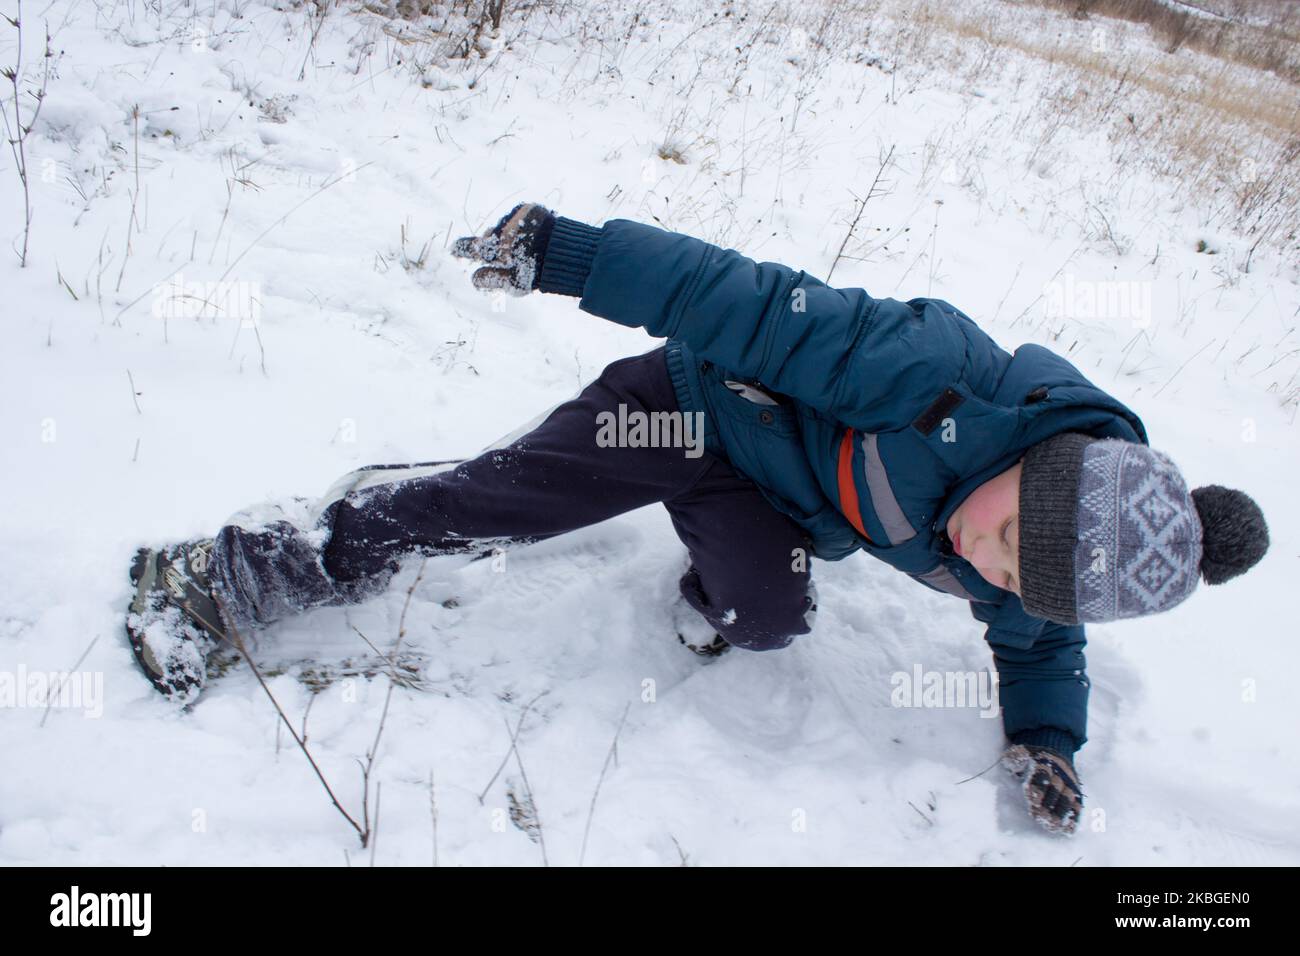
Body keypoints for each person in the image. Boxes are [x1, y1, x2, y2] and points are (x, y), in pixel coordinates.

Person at [126, 202, 1270, 836]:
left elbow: (1041, 643)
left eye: (1021, 577)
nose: (987, 559)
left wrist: (1047, 744)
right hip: (682, 407)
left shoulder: (1027, 576)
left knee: (762, 620)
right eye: (1013, 531)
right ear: (1047, 461)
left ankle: (697, 567)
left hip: (762, 492)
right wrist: (567, 254)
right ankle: (240, 573)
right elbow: (750, 302)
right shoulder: (927, 374)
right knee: (497, 503)